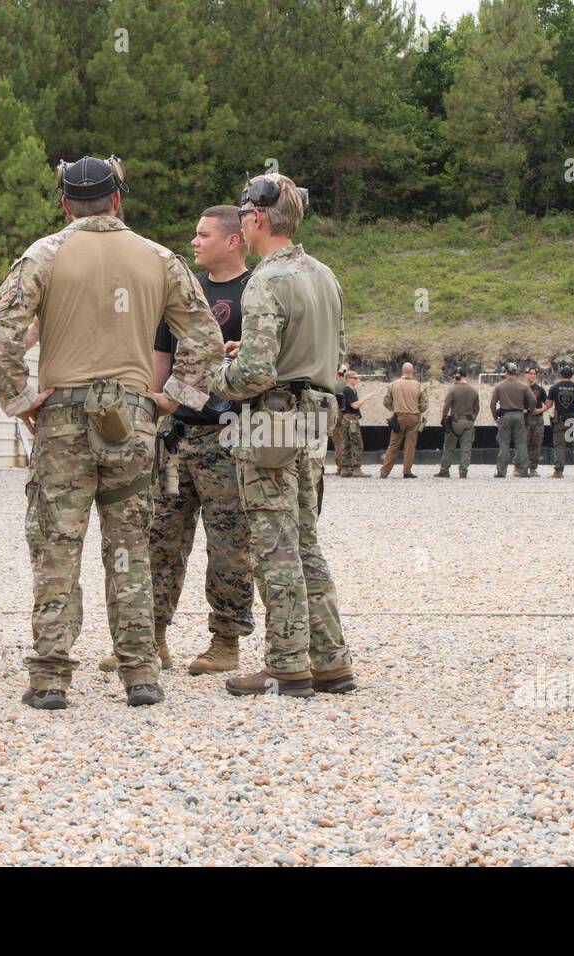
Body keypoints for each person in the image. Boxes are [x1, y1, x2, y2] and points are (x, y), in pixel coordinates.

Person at [0, 155, 223, 710]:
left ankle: (49, 677)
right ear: (118, 199)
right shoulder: (159, 259)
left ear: (66, 203)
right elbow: (206, 340)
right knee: (130, 546)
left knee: (56, 547)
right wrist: (172, 399)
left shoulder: (44, 255)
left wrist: (21, 400)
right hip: (133, 420)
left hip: (61, 417)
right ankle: (140, 673)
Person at [210, 172, 356, 697]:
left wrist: (216, 373)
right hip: (315, 418)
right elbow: (333, 354)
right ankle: (332, 661)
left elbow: (253, 373)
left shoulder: (265, 280)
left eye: (245, 217)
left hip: (272, 422)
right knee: (308, 542)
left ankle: (286, 664)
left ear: (256, 219)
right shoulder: (324, 275)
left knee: (275, 547)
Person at [98, 204, 255, 677]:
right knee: (160, 539)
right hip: (176, 436)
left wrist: (178, 396)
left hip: (228, 435)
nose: (194, 242)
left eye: (203, 234)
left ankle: (226, 640)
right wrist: (149, 410)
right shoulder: (183, 293)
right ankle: (152, 638)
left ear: (232, 240)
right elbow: (159, 361)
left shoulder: (257, 292)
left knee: (229, 542)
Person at [379, 362, 426, 478]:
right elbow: (424, 403)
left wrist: (394, 409)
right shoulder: (419, 385)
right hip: (414, 418)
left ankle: (384, 472)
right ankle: (407, 472)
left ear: (402, 371)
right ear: (413, 371)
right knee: (410, 446)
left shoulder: (393, 384)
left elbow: (386, 401)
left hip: (399, 417)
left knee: (393, 445)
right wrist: (418, 410)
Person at [490, 363, 536, 478]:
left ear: (506, 372)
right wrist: (529, 412)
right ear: (516, 372)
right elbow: (533, 400)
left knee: (504, 444)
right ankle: (524, 471)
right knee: (521, 444)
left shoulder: (499, 387)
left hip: (505, 416)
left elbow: (492, 404)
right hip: (519, 415)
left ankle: (501, 471)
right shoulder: (523, 386)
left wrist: (496, 417)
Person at [435, 368, 479, 478]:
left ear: (456, 377)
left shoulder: (453, 390)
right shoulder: (473, 391)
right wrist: (472, 419)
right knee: (466, 449)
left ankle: (444, 470)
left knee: (449, 447)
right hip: (468, 422)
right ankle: (463, 472)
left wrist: (444, 418)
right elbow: (477, 409)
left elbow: (446, 406)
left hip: (455, 422)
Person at [548, 366, 574, 477]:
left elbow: (549, 405)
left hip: (560, 420)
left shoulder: (554, 388)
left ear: (561, 374)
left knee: (560, 446)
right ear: (572, 375)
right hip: (573, 419)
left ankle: (559, 471)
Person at [337, 369, 373, 476]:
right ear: (348, 379)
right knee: (356, 443)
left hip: (348, 419)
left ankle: (345, 468)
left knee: (347, 443)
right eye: (355, 378)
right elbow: (354, 405)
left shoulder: (350, 390)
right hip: (351, 420)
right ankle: (356, 468)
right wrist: (365, 399)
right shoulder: (348, 391)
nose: (357, 379)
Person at [524, 367, 549, 476]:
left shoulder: (539, 389)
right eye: (530, 373)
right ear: (526, 375)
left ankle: (533, 468)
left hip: (537, 419)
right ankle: (520, 466)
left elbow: (548, 404)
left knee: (536, 443)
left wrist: (539, 410)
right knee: (523, 443)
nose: (533, 376)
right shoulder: (521, 388)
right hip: (524, 419)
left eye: (534, 374)